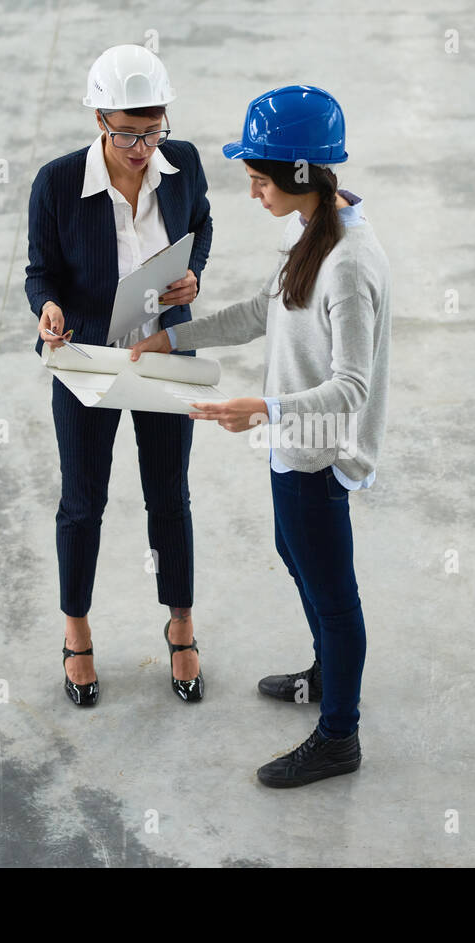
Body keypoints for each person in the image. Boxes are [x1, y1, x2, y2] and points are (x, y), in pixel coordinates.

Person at [129, 85, 391, 787]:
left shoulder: (349, 263)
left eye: (257, 179)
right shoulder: (309, 231)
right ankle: (322, 673)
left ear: (299, 173)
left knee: (333, 592)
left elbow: (352, 388)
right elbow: (260, 312)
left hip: (316, 448)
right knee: (294, 552)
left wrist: (264, 410)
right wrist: (174, 336)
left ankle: (340, 735)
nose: (251, 193)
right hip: (288, 442)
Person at [25, 44, 213, 707]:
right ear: (100, 120)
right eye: (129, 132)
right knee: (83, 500)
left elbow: (201, 225)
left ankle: (182, 622)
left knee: (170, 494)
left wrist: (195, 274)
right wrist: (46, 307)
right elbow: (39, 271)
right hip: (88, 361)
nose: (142, 146)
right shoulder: (55, 183)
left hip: (162, 350)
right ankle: (76, 630)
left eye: (153, 129)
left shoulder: (183, 163)